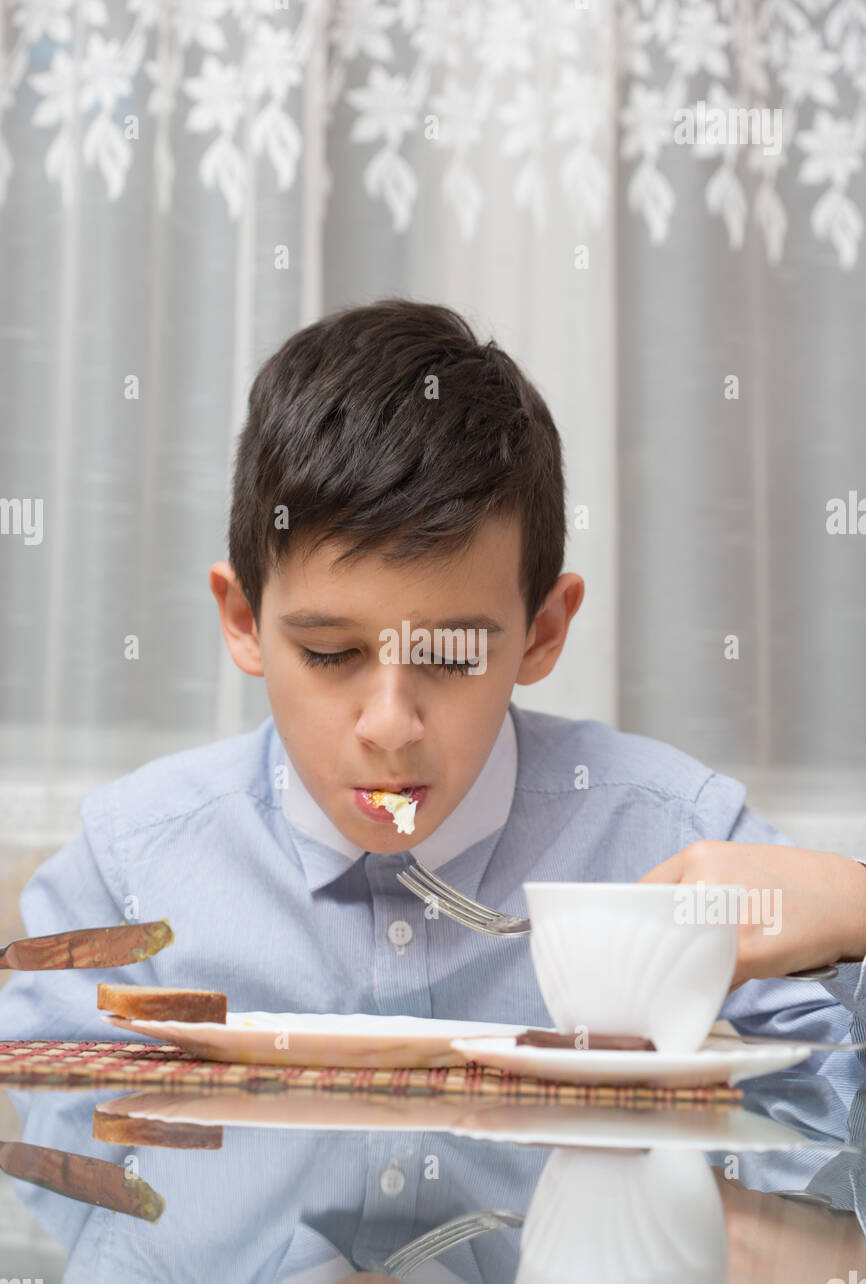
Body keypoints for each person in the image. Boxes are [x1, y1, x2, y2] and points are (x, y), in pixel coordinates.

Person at [0, 299, 864, 1053]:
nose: (388, 724)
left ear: (543, 631)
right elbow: (51, 1146)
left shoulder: (681, 842)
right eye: (331, 654)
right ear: (242, 622)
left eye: (450, 656)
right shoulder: (130, 868)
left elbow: (830, 1117)